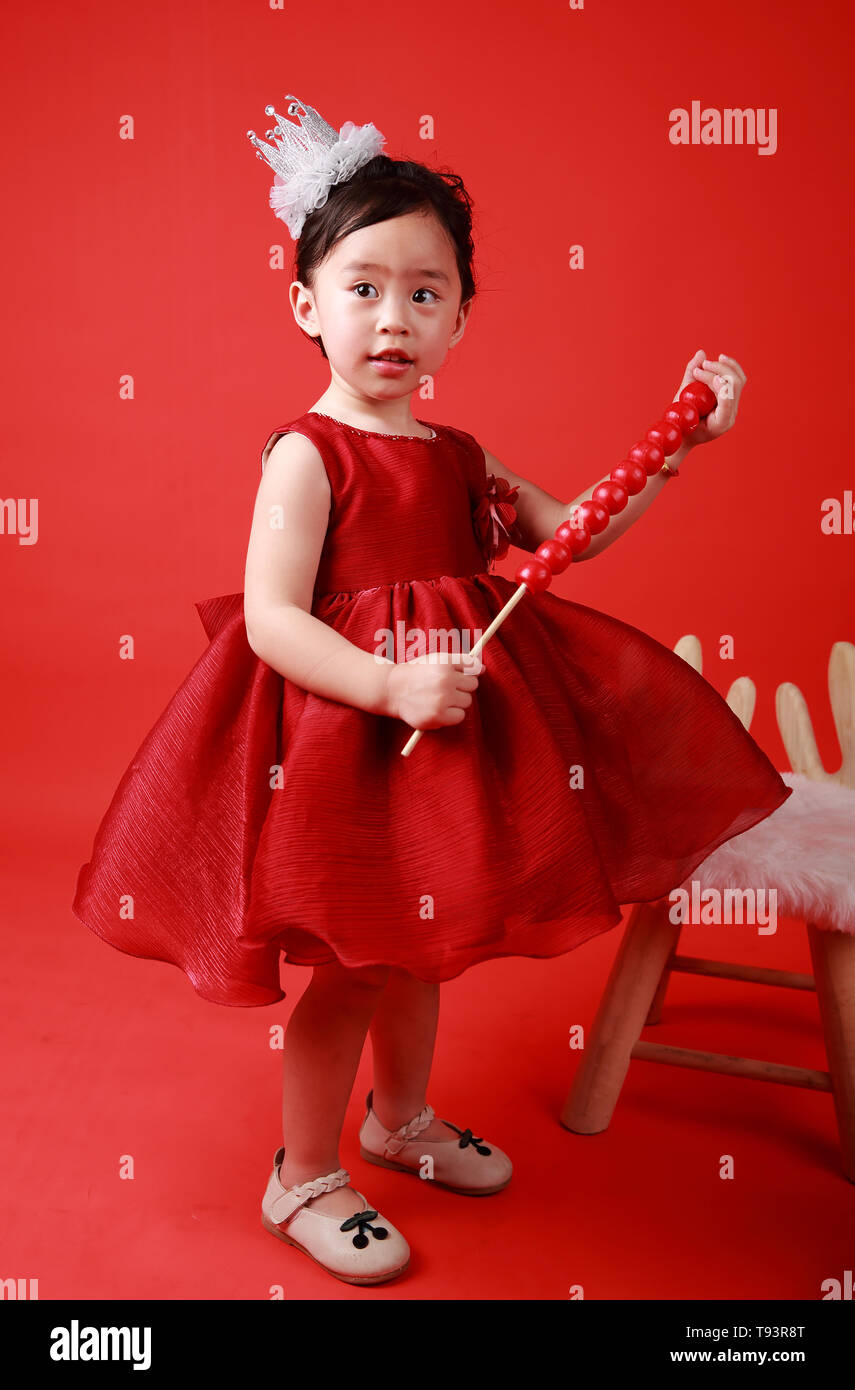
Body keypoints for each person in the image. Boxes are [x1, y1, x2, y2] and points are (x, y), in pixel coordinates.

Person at [72, 96, 792, 1286]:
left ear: (460, 314)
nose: (393, 317)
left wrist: (676, 446)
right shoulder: (309, 453)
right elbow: (271, 619)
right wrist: (388, 684)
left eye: (425, 291)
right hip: (349, 738)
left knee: (425, 945)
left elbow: (571, 536)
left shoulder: (460, 458)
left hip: (452, 730)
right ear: (306, 306)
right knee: (357, 960)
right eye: (361, 286)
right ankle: (300, 1173)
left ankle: (397, 1120)